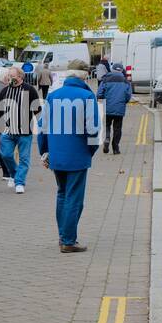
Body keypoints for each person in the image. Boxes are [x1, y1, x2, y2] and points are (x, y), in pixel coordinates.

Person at [39, 59, 100, 253]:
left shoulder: (53, 96)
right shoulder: (87, 96)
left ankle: (62, 235)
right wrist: (90, 151)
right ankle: (68, 240)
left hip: (57, 153)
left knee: (62, 194)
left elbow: (43, 127)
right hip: (78, 154)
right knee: (74, 198)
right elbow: (92, 129)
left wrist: (45, 151)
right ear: (84, 75)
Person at [0, 66, 42, 193]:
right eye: (9, 76)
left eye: (13, 76)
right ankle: (15, 175)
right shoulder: (5, 91)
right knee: (6, 154)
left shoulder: (30, 90)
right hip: (7, 130)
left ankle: (19, 182)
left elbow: (37, 109)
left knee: (24, 158)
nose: (10, 79)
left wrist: (42, 125)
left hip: (24, 131)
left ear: (20, 77)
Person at [97, 63, 132, 153]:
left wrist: (105, 98)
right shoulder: (125, 81)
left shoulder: (105, 79)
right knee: (117, 128)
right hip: (120, 108)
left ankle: (107, 138)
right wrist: (123, 102)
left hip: (108, 107)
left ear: (112, 70)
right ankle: (115, 147)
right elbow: (128, 96)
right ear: (121, 70)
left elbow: (99, 94)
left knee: (107, 125)